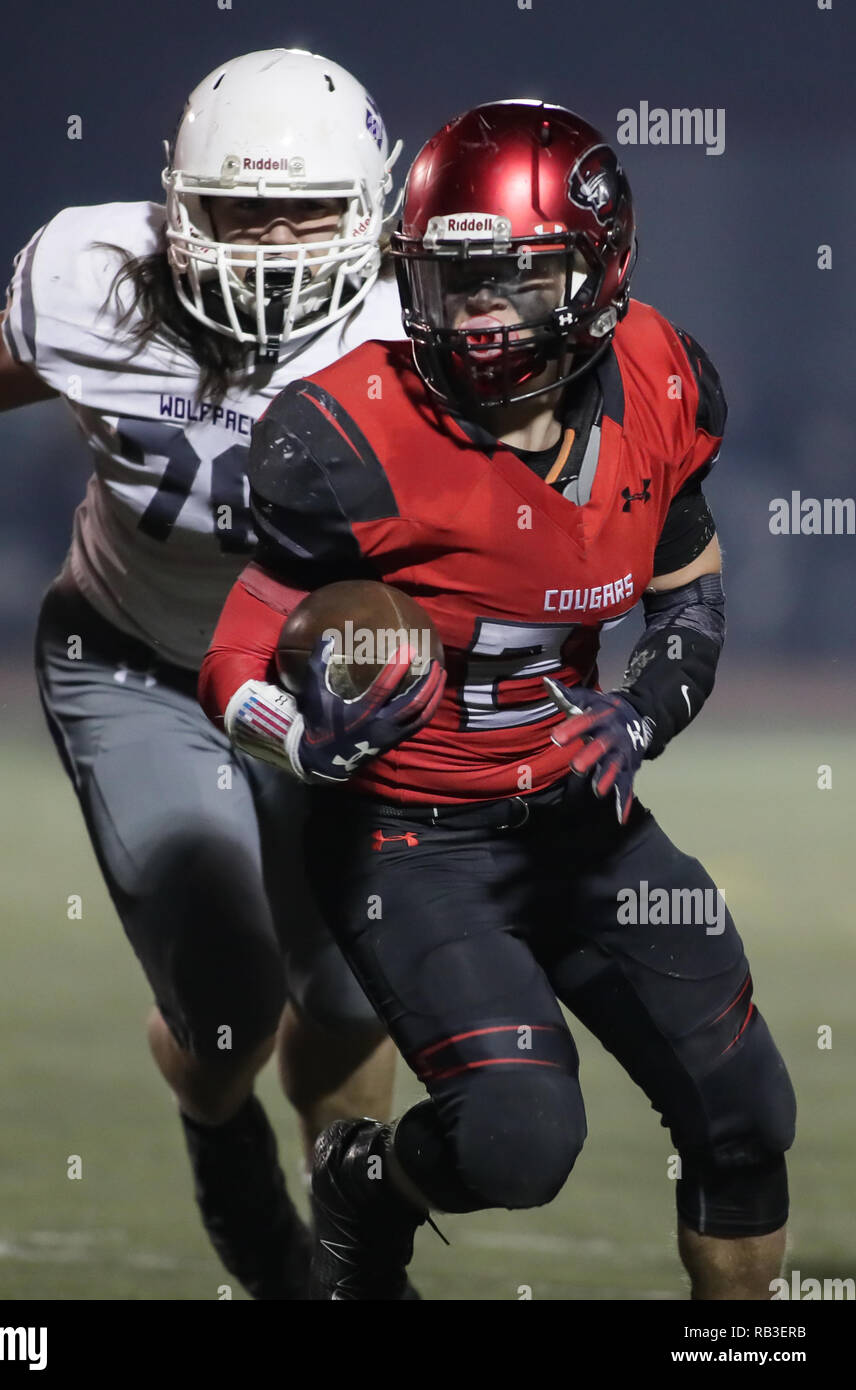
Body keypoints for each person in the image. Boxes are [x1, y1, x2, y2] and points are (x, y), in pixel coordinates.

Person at [199, 99, 797, 1300]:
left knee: (745, 1116)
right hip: (412, 834)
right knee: (521, 1142)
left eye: (508, 279)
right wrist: (298, 736)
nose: (473, 312)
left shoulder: (662, 381)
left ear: (596, 267)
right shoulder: (349, 435)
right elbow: (233, 656)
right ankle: (370, 1190)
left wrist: (641, 713)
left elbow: (689, 599)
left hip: (580, 814)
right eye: (448, 278)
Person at [0, 48, 408, 1300]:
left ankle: (356, 1266)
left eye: (311, 211)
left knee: (351, 992)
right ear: (177, 206)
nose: (278, 246)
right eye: (243, 210)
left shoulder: (424, 325)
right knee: (231, 1001)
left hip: (318, 691)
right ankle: (219, 1134)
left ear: (376, 214)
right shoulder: (96, 284)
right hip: (140, 664)